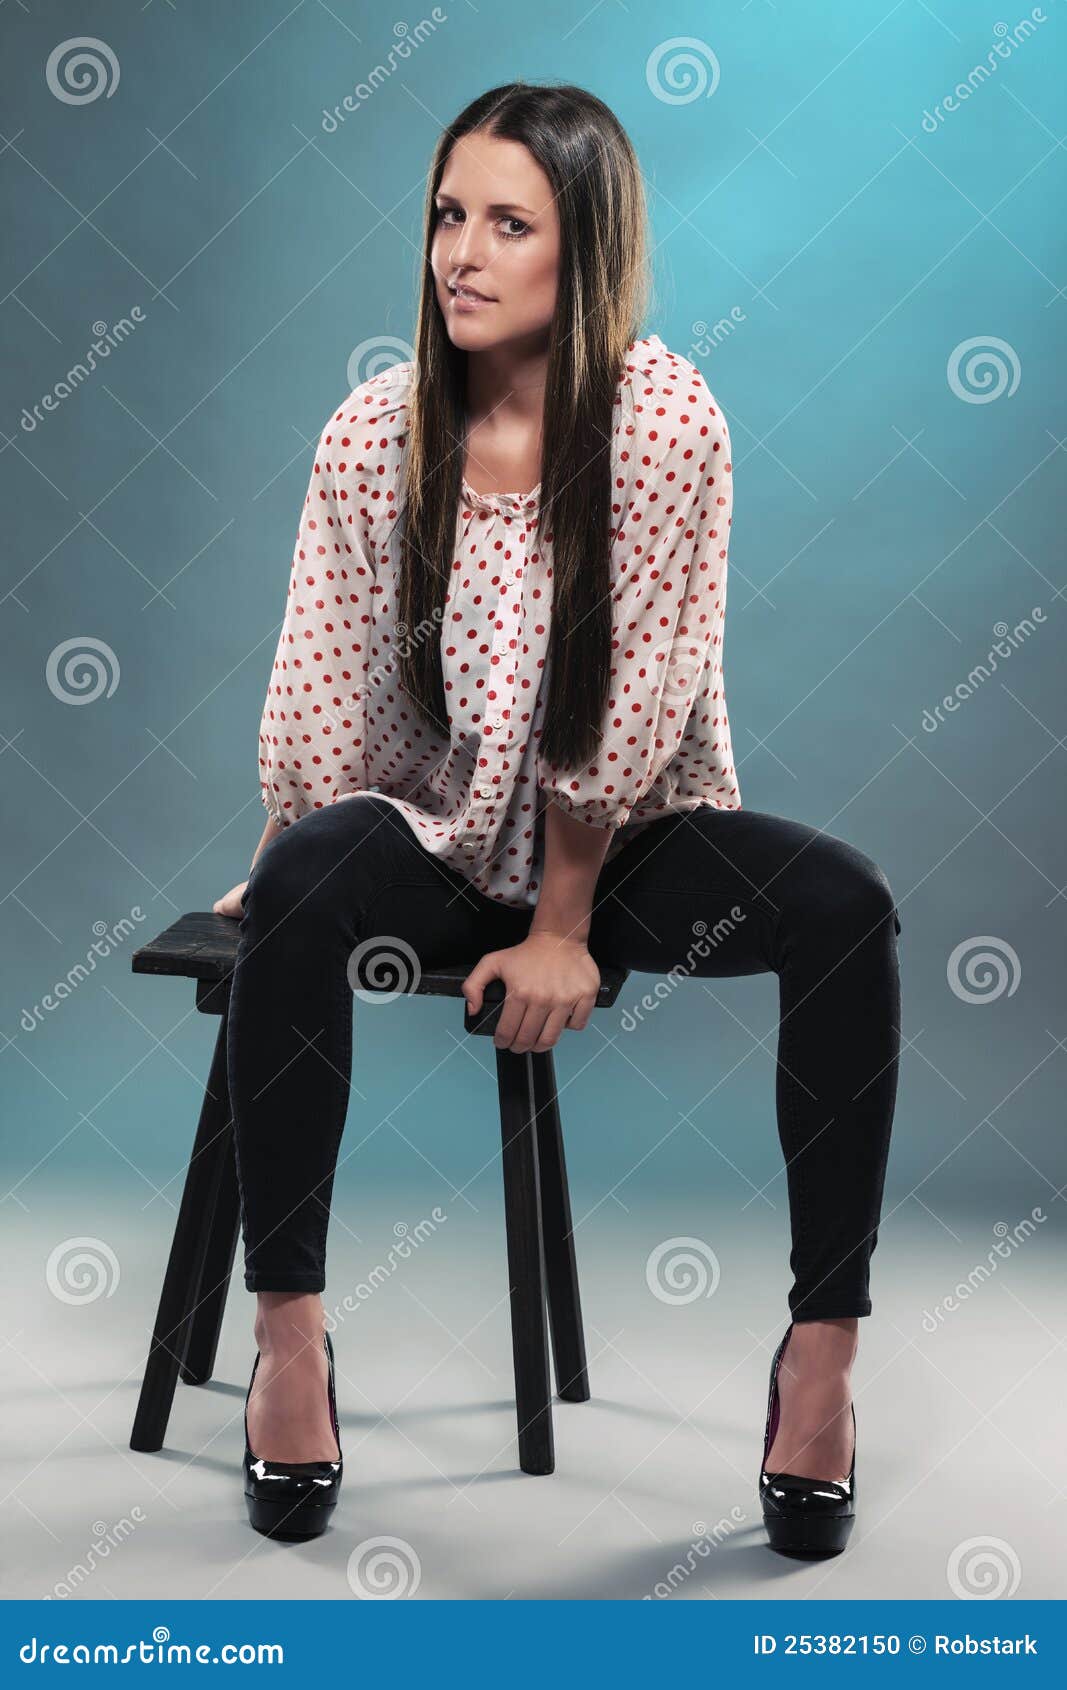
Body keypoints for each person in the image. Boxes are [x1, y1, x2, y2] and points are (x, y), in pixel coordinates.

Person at [213, 82, 901, 1554]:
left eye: (507, 223)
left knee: (847, 907)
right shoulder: (371, 436)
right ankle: (288, 1339)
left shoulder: (661, 424)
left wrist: (569, 929)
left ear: (580, 250)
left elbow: (625, 707)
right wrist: (283, 870)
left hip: (628, 849)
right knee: (310, 874)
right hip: (449, 837)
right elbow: (334, 695)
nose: (461, 252)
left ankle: (823, 1367)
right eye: (447, 215)